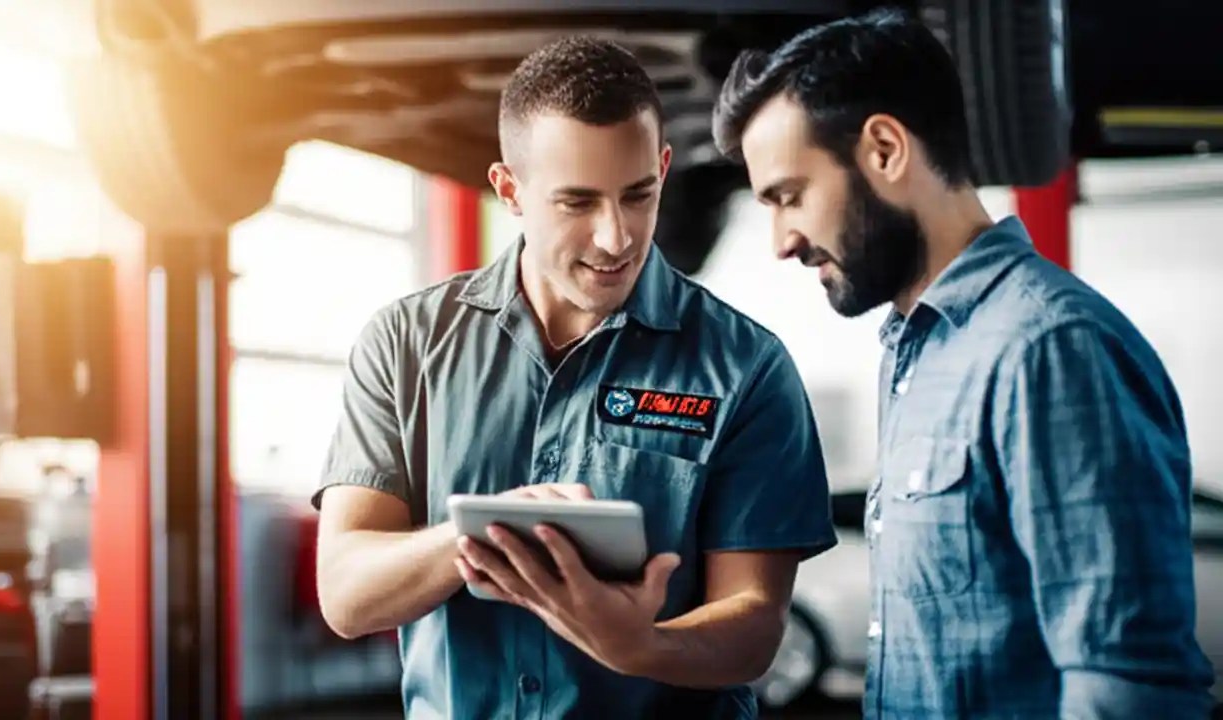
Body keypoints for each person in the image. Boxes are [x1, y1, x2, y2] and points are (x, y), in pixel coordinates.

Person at [711, 8, 1215, 719]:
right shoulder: (917, 349)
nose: (781, 241)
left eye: (790, 197)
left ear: (885, 149)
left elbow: (1124, 687)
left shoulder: (1049, 349)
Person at [314, 36, 837, 719]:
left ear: (664, 168)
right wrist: (484, 534)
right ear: (510, 191)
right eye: (577, 203)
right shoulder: (405, 345)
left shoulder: (746, 367)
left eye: (638, 195)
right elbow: (347, 596)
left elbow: (755, 624)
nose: (616, 237)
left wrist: (640, 645)